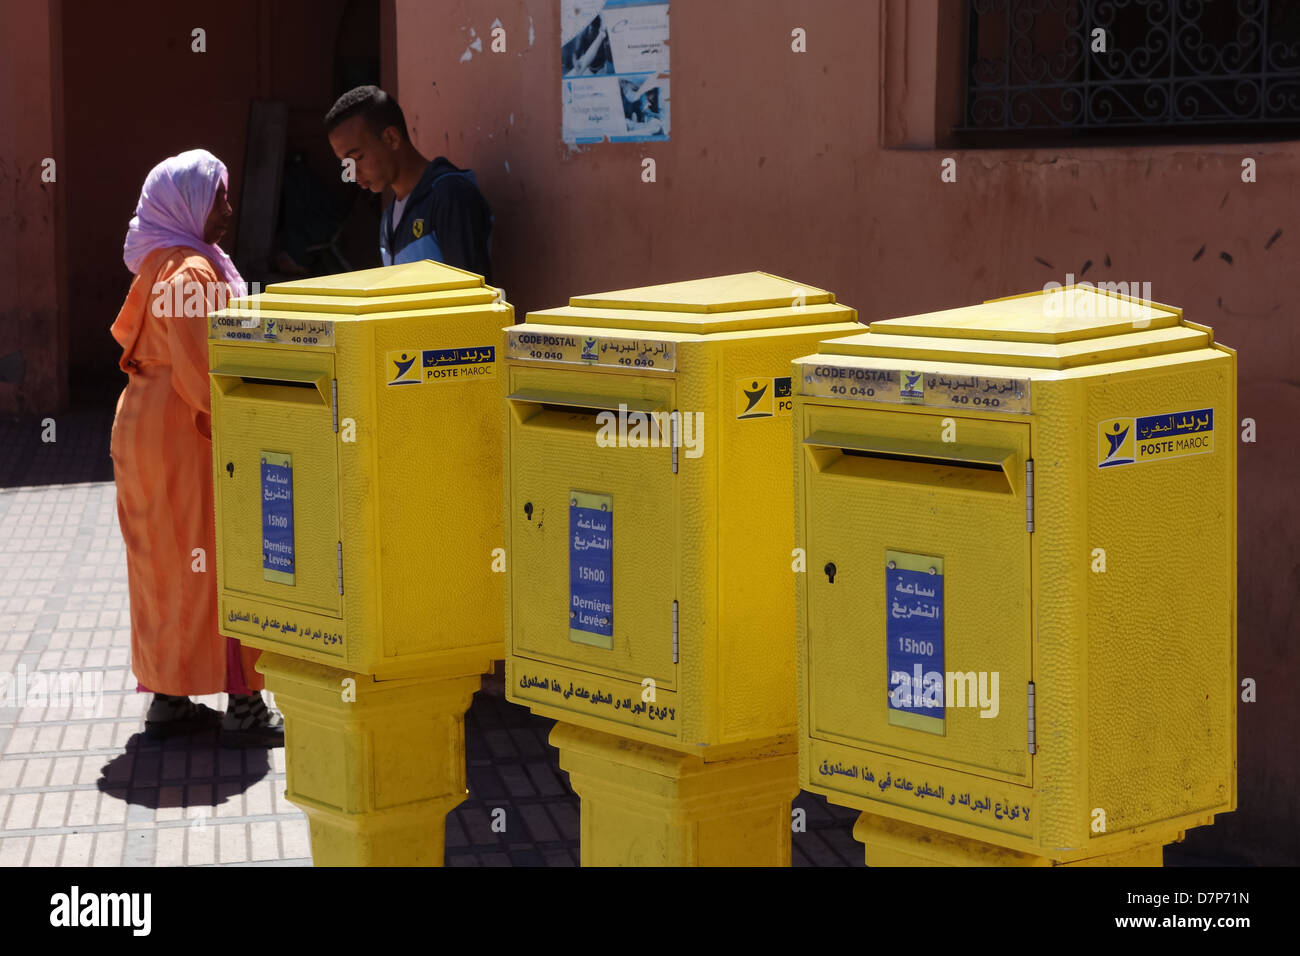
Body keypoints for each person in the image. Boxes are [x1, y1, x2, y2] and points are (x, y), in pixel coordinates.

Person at [110, 149, 283, 748]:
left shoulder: (160, 261)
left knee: (163, 563)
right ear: (188, 203)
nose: (228, 209)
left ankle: (170, 698)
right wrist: (247, 422)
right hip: (186, 432)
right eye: (220, 196)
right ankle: (244, 705)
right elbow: (200, 369)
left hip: (145, 429)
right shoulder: (193, 272)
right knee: (220, 554)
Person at [324, 85, 494, 280]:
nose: (352, 174)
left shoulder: (451, 197)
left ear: (391, 138)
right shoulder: (389, 218)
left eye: (357, 158)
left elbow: (474, 300)